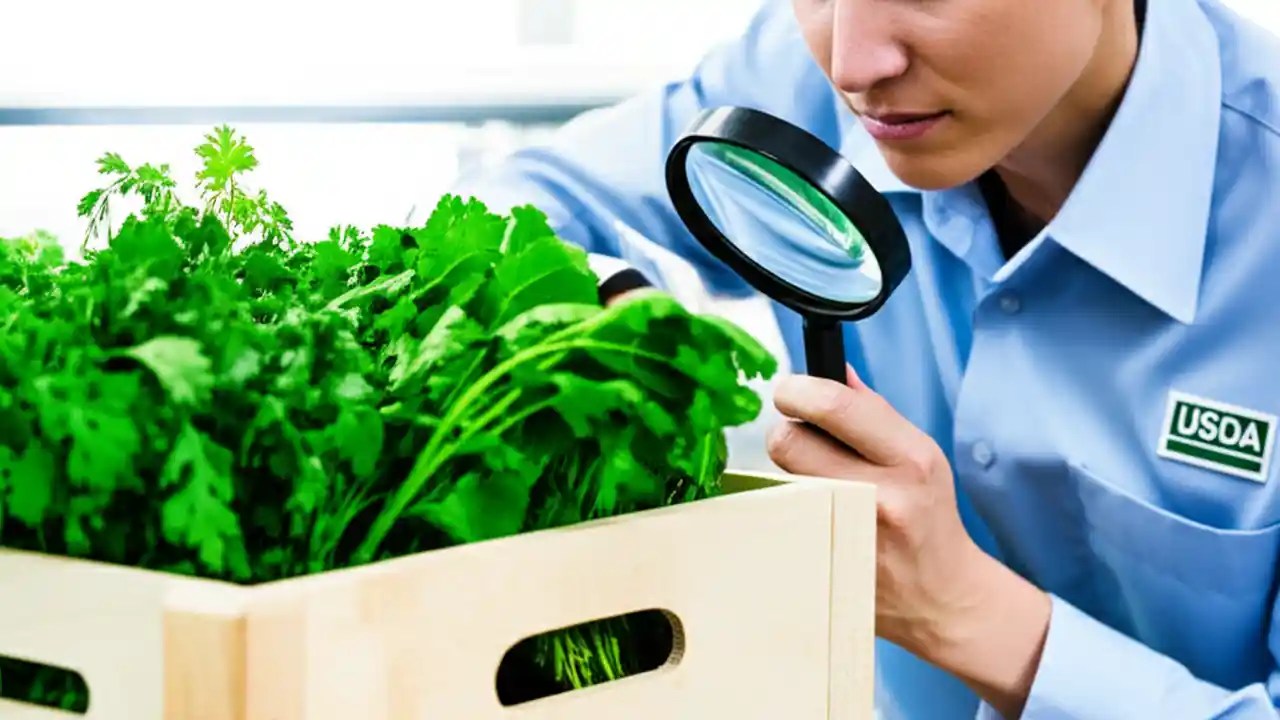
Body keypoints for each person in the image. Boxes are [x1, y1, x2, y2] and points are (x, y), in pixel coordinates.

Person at [449, 0, 1280, 717]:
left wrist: (959, 610)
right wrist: (627, 315)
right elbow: (508, 212)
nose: (853, 64)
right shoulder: (796, 68)